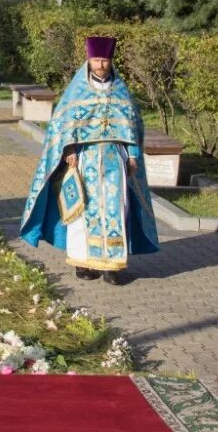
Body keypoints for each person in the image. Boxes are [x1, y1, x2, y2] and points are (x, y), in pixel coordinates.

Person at [18, 36, 160, 285]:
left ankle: (112, 267)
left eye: (104, 60)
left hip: (115, 159)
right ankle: (83, 263)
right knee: (83, 210)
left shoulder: (121, 91)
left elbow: (134, 124)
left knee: (116, 210)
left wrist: (134, 155)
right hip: (84, 159)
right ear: (89, 60)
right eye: (96, 60)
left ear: (111, 61)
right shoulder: (77, 90)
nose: (100, 64)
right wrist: (69, 149)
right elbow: (63, 124)